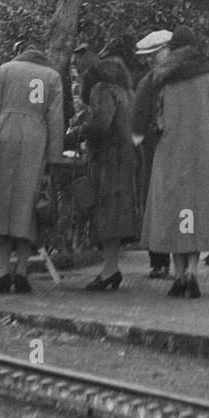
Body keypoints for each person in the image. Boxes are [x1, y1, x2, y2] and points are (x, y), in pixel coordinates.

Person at [0, 42, 64, 295]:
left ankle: (1, 273)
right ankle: (21, 273)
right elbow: (55, 119)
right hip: (35, 142)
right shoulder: (52, 77)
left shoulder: (6, 69)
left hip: (4, 137)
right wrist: (53, 159)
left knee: (1, 205)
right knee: (26, 208)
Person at [139, 26, 209, 299]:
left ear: (172, 49)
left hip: (171, 151)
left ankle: (178, 274)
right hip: (201, 151)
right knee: (194, 209)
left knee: (174, 209)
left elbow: (156, 118)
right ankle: (192, 273)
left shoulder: (162, 78)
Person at [79, 56, 139, 291]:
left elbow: (101, 124)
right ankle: (110, 269)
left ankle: (109, 271)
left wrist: (80, 129)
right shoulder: (127, 93)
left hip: (108, 161)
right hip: (127, 160)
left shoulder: (101, 89)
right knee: (117, 216)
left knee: (106, 215)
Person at [131, 29, 173, 278]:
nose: (150, 60)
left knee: (161, 199)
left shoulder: (156, 80)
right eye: (148, 56)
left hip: (160, 144)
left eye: (154, 54)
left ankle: (164, 259)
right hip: (155, 144)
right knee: (156, 199)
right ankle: (159, 259)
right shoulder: (150, 81)